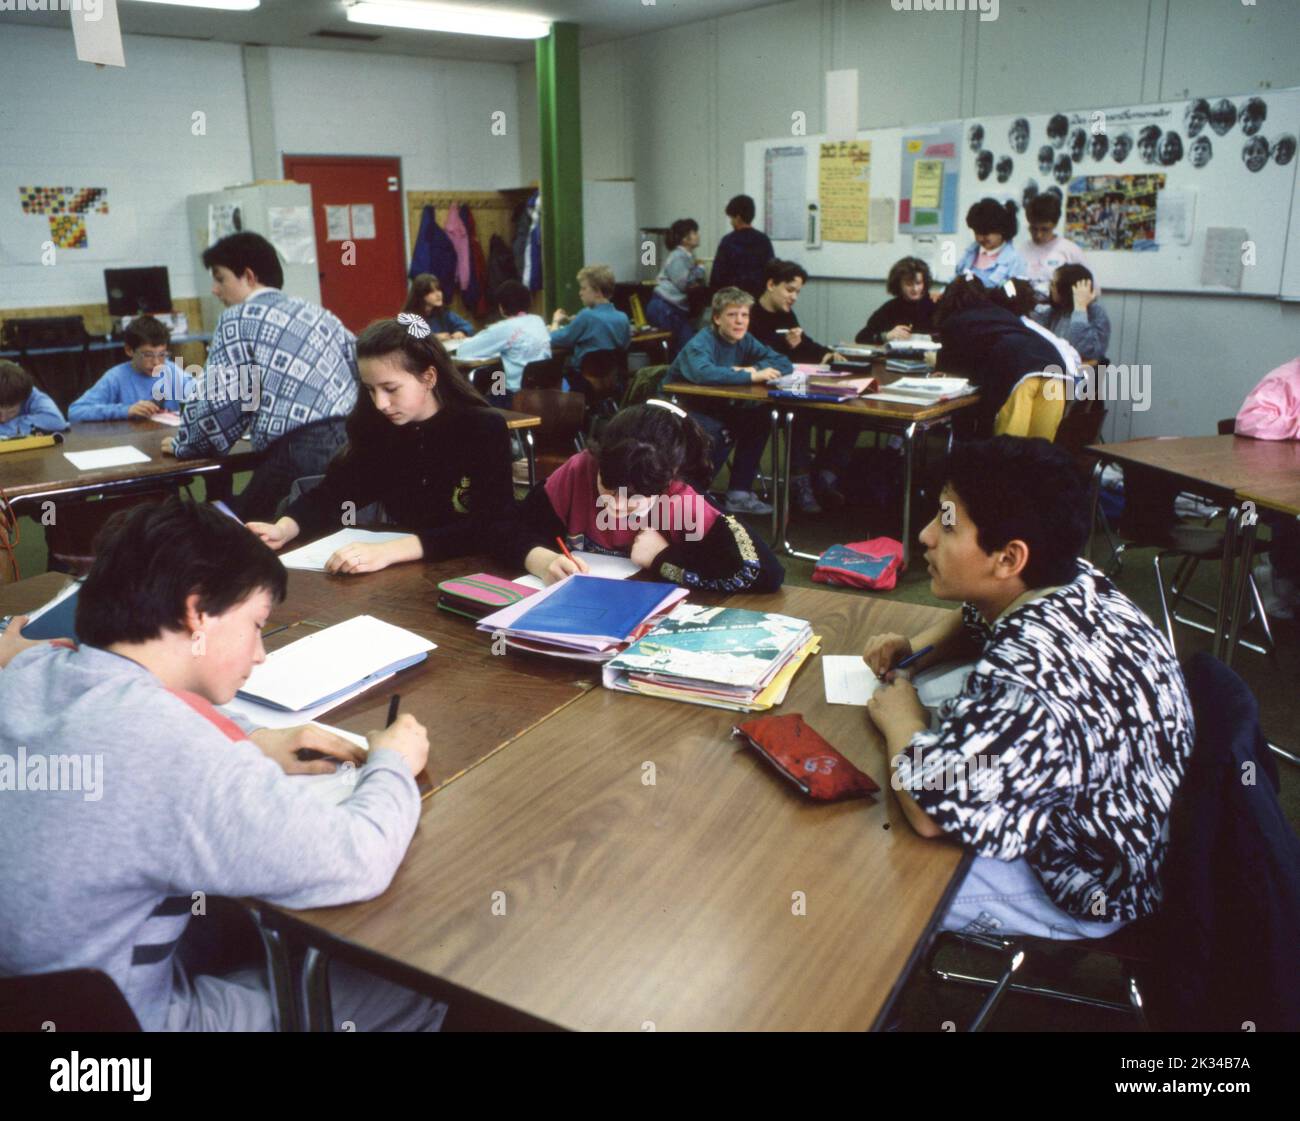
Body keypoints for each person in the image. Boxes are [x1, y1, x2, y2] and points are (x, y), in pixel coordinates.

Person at [0, 497, 445, 1031]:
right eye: (256, 623)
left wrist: (248, 739)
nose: (259, 653)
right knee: (406, 986)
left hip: (35, 994)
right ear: (197, 612)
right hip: (115, 1039)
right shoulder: (173, 750)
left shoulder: (30, 669)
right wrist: (393, 763)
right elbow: (358, 857)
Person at [862, 437, 1194, 941]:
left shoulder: (1028, 681)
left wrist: (901, 719)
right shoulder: (1071, 576)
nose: (927, 535)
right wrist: (914, 653)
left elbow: (934, 811)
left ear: (1008, 558)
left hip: (1088, 881)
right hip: (1129, 823)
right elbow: (977, 618)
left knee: (863, 870)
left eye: (947, 523)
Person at [246, 318, 514, 574]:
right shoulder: (382, 430)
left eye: (390, 388)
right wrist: (283, 528)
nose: (380, 403)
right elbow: (333, 493)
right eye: (371, 390)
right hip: (408, 575)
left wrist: (390, 551)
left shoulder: (482, 428)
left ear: (429, 377)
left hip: (472, 572)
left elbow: (489, 525)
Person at [162, 232, 359, 523]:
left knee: (239, 531)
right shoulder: (320, 314)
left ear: (249, 276)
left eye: (220, 278)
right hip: (349, 444)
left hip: (297, 450)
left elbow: (220, 400)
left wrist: (186, 444)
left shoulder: (237, 319)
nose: (215, 289)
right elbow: (359, 368)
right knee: (326, 528)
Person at [499, 400, 784, 594]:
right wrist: (541, 560)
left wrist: (662, 558)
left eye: (635, 498)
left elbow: (763, 572)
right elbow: (506, 525)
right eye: (608, 488)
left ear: (668, 479)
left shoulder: (680, 500)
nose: (617, 506)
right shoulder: (581, 469)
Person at [666, 287, 792, 515]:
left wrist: (753, 367)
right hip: (682, 406)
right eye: (732, 315)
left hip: (717, 405)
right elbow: (703, 373)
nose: (739, 321)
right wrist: (750, 376)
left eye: (744, 315)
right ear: (717, 318)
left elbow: (783, 362)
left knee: (759, 419)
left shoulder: (745, 340)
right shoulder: (701, 342)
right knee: (720, 431)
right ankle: (692, 494)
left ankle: (739, 494)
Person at [746, 259, 855, 513]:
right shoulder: (749, 315)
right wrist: (789, 347)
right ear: (771, 284)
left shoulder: (786, 313)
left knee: (852, 414)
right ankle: (800, 482)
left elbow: (802, 342)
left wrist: (827, 354)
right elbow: (755, 355)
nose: (794, 297)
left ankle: (825, 476)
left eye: (797, 292)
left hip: (789, 386)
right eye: (790, 290)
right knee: (800, 413)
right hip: (761, 395)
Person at [933, 275, 1071, 439]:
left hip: (1020, 372)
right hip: (1054, 367)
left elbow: (953, 370)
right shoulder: (1002, 313)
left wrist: (935, 362)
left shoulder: (954, 321)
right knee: (1041, 450)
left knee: (1009, 451)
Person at [68, 316, 191, 422]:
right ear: (129, 350)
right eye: (148, 355)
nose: (156, 362)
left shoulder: (173, 372)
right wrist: (125, 410)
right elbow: (75, 412)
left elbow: (202, 399)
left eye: (162, 354)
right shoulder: (115, 377)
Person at [453, 278, 551, 408]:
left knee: (484, 380)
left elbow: (464, 351)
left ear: (501, 307)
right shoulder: (538, 321)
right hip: (543, 395)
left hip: (515, 397)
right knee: (494, 374)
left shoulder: (505, 328)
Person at [549, 263, 632, 393]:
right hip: (613, 380)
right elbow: (624, 346)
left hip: (583, 381)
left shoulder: (586, 316)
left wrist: (555, 322)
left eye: (583, 288)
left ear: (597, 291)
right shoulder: (623, 317)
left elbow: (555, 339)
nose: (580, 293)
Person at [645, 218, 706, 358]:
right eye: (695, 232)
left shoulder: (688, 256)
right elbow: (685, 284)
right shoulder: (678, 256)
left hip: (674, 309)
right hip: (665, 308)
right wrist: (700, 269)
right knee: (673, 352)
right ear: (685, 238)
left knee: (687, 348)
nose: (698, 235)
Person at [1031, 263, 1111, 362]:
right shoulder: (1057, 311)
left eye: (1053, 284)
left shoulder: (1095, 312)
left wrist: (1080, 308)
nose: (1049, 287)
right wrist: (1031, 301)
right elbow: (1035, 332)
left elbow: (1084, 350)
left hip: (1083, 371)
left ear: (1066, 291)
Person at [1019, 192, 1088, 298]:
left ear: (1055, 224)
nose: (1039, 235)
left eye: (1045, 229)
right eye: (1033, 228)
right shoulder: (1021, 250)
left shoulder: (1070, 251)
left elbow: (1091, 290)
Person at [709, 194, 775, 300]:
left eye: (731, 218)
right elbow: (771, 271)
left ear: (738, 217)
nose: (730, 222)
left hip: (733, 300)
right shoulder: (764, 240)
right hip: (758, 299)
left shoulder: (728, 241)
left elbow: (717, 277)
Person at [955, 198, 1027, 288]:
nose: (981, 238)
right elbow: (956, 279)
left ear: (1002, 230)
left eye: (986, 233)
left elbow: (1018, 294)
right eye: (977, 232)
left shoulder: (1014, 261)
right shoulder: (969, 254)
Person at [0, 359, 68, 438]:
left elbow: (56, 421)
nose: (3, 419)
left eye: (11, 412)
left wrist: (5, 428)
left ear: (24, 399)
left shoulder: (26, 392)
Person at [401, 274, 474, 340]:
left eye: (439, 290)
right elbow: (408, 339)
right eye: (432, 292)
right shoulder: (409, 318)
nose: (438, 295)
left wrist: (462, 332)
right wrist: (434, 337)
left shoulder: (444, 313)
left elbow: (467, 326)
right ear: (421, 295)